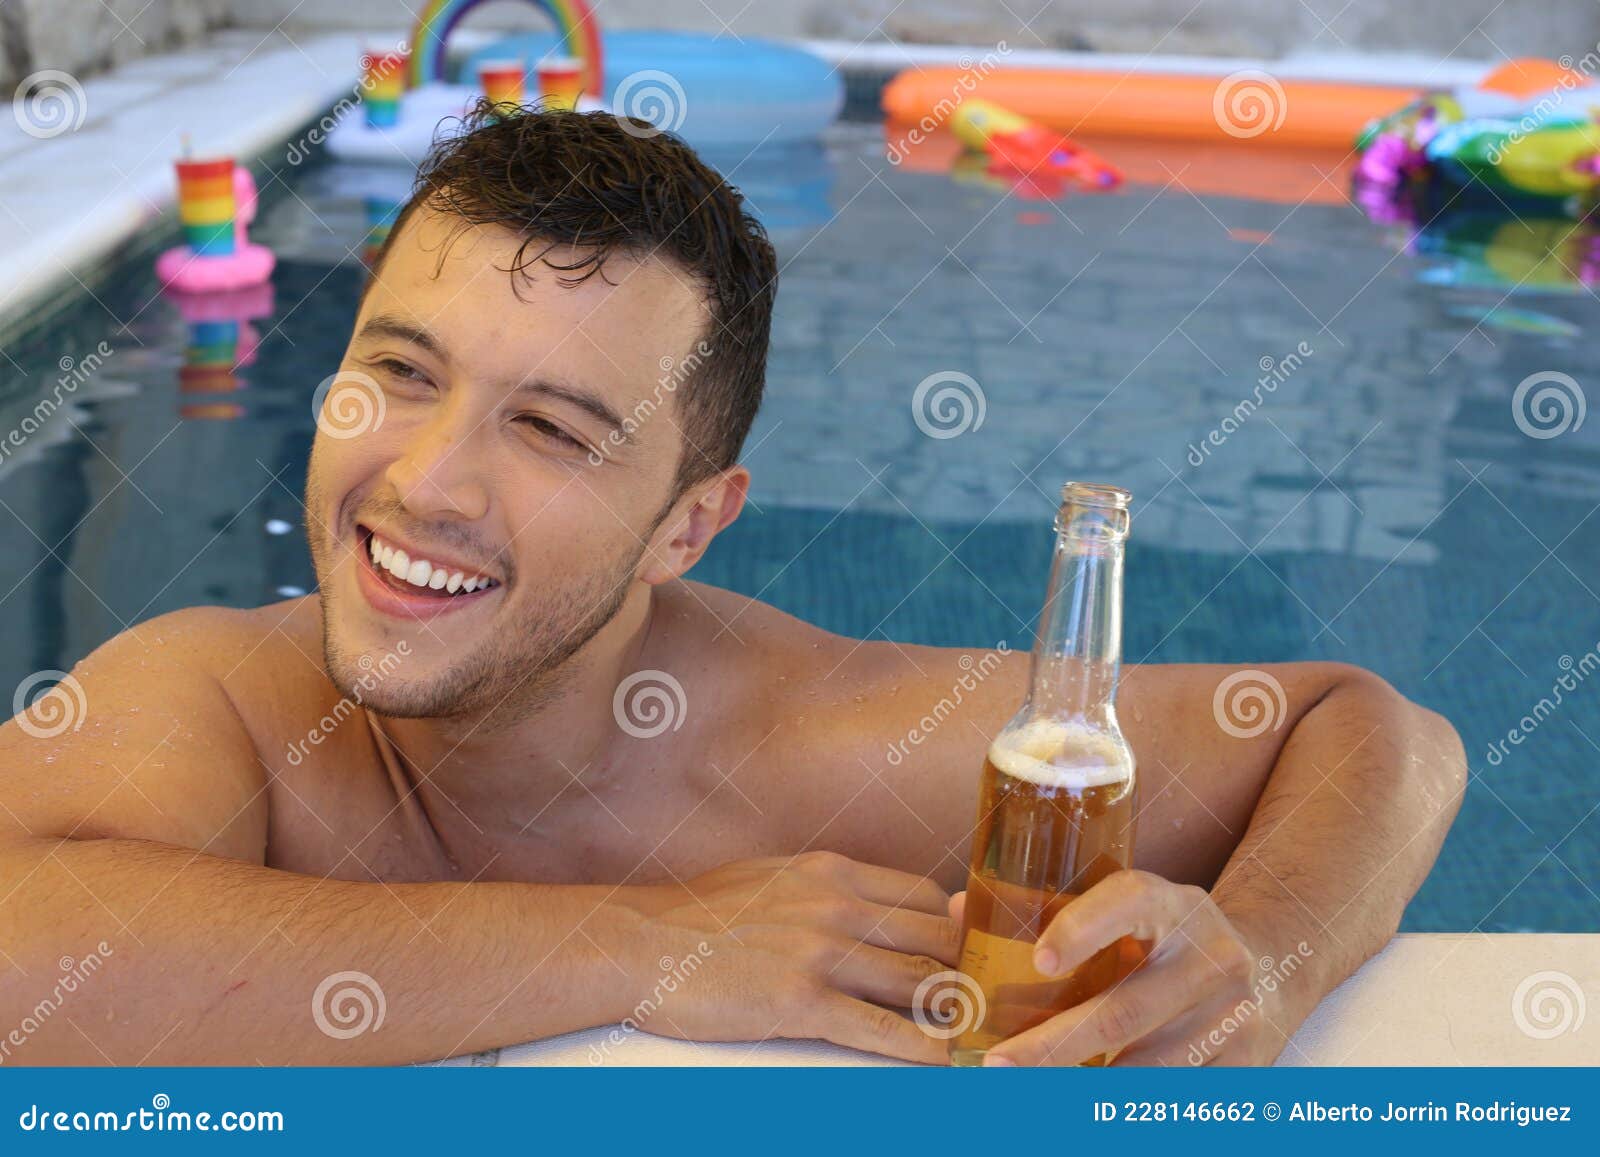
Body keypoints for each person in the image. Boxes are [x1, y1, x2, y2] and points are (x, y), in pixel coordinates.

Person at [0, 108, 1465, 1067]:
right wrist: (650, 940)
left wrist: (1267, 959)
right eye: (401, 371)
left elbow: (1368, 728)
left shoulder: (805, 750)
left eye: (555, 429)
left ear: (688, 525)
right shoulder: (224, 703)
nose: (429, 483)